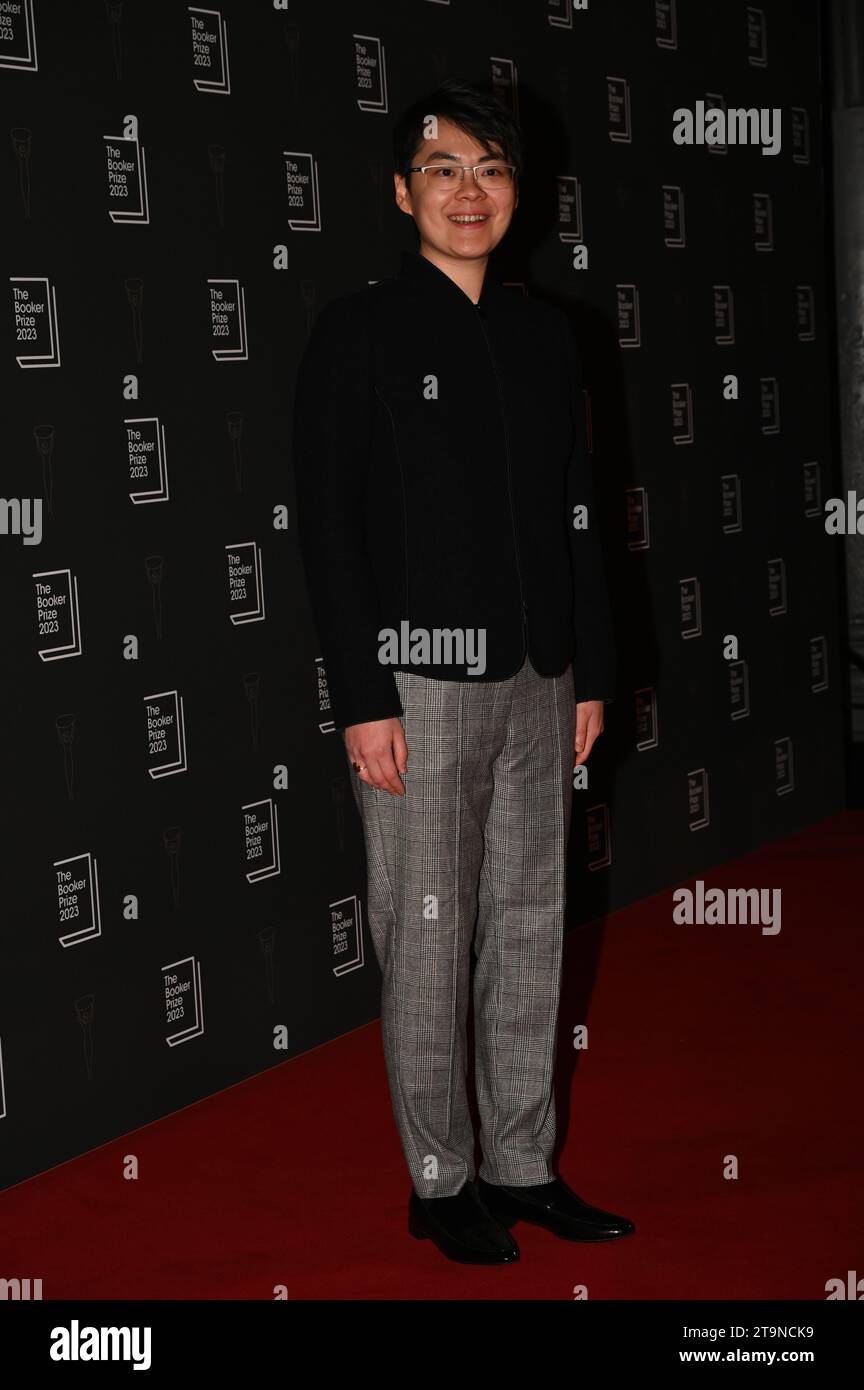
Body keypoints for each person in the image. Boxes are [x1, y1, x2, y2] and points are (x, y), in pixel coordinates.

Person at [292, 77, 634, 1265]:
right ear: (403, 193)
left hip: (542, 680)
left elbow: (578, 512)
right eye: (444, 168)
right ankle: (440, 1181)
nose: (470, 190)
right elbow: (327, 525)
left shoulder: (551, 335)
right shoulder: (360, 330)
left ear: (517, 191)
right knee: (429, 936)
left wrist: (588, 667)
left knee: (533, 925)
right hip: (417, 691)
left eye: (490, 168)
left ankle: (525, 1164)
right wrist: (363, 695)